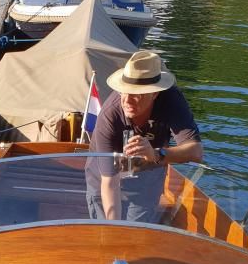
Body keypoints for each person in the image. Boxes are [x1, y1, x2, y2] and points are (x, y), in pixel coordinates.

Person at [87, 50, 203, 223]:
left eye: (136, 94)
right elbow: (109, 182)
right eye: (123, 91)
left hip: (147, 179)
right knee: (107, 235)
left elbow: (196, 151)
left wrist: (156, 154)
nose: (127, 100)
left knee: (136, 239)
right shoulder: (110, 114)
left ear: (155, 94)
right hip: (104, 176)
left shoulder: (171, 100)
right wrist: (114, 229)